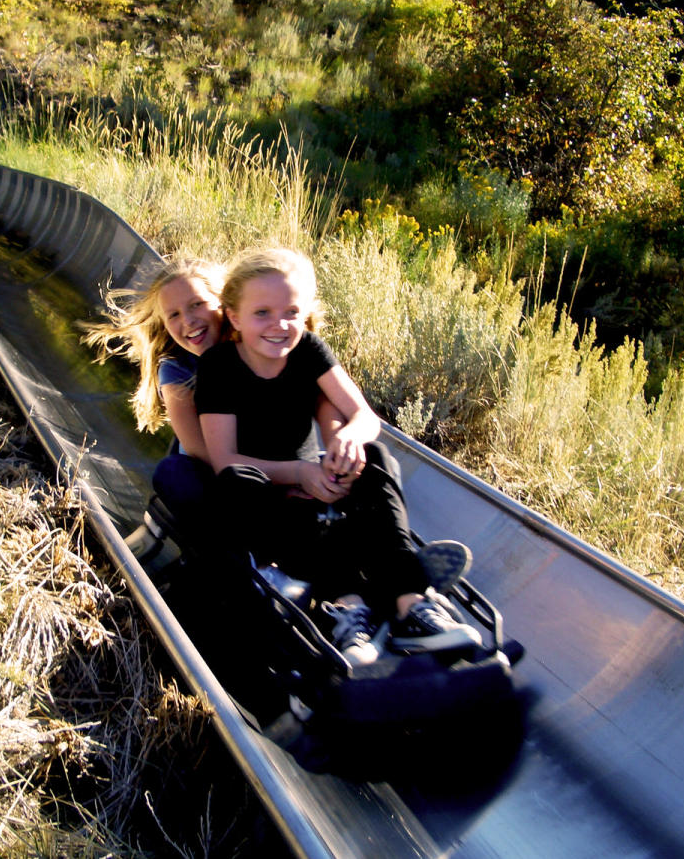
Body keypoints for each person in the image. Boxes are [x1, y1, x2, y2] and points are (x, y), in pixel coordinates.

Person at [195, 246, 481, 668]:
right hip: (269, 497)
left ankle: (409, 603)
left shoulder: (308, 350)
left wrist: (348, 439)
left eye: (292, 311)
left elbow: (365, 417)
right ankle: (345, 604)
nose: (280, 325)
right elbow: (225, 460)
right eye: (262, 313)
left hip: (320, 485)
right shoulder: (219, 366)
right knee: (238, 480)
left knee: (375, 454)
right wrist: (300, 473)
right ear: (234, 317)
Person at [82, 258, 227, 524]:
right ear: (163, 323)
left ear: (222, 301)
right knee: (173, 473)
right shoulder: (176, 368)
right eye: (174, 315)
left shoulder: (250, 345)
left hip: (267, 460)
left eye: (197, 304)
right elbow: (200, 450)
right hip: (216, 472)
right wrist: (268, 478)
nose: (189, 321)